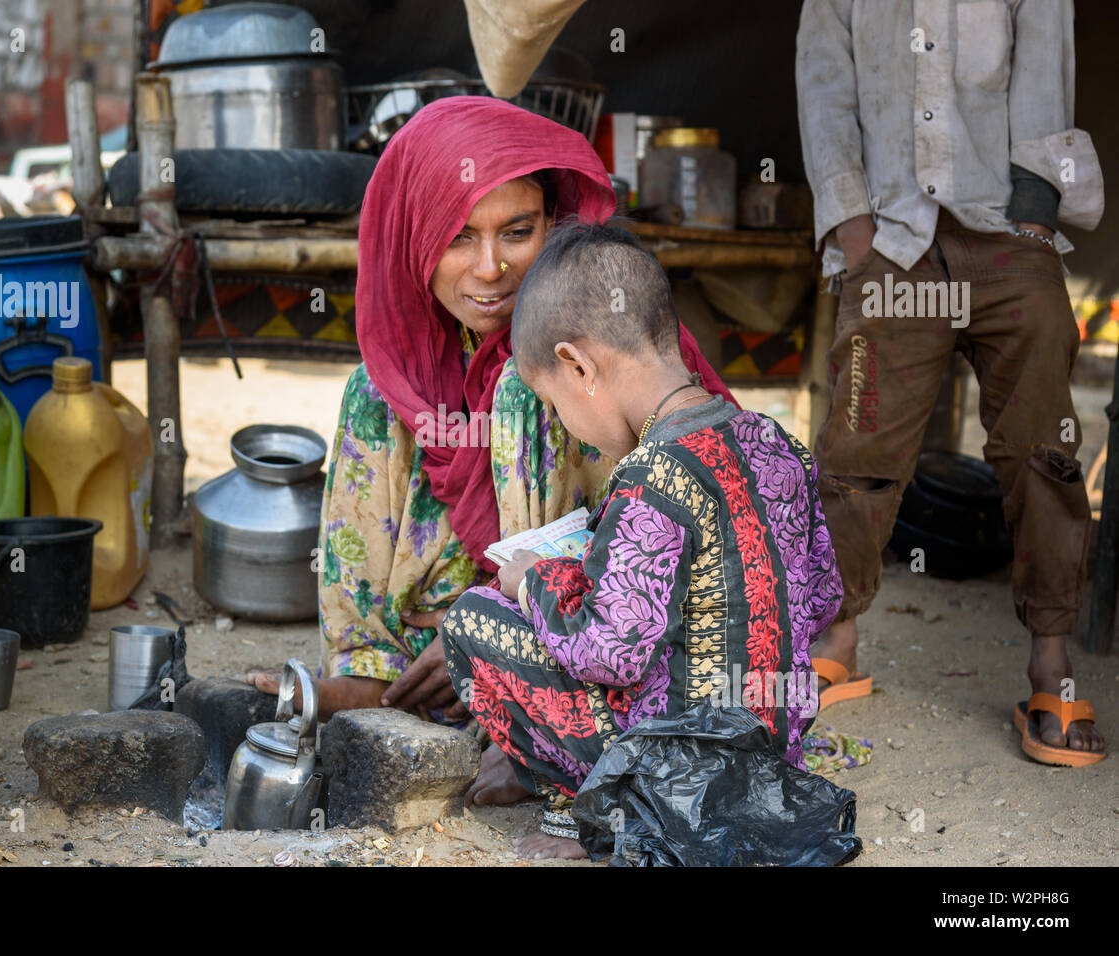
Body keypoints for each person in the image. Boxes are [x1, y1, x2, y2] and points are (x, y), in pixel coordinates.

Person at [247, 97, 734, 718]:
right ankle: (372, 669)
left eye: (517, 232)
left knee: (520, 387)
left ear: (552, 224)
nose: (490, 269)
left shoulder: (600, 331)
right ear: (417, 237)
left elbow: (658, 536)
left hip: (593, 622)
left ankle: (525, 684)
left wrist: (494, 625)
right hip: (454, 611)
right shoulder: (415, 345)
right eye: (458, 237)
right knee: (374, 387)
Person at [441, 221, 843, 859]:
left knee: (475, 618)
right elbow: (821, 595)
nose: (567, 425)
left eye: (555, 402)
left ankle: (585, 814)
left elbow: (610, 654)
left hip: (675, 781)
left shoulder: (652, 476)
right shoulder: (773, 440)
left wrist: (533, 580)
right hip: (770, 757)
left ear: (578, 366)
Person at [796, 0, 1106, 764]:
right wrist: (853, 232)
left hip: (1005, 237)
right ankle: (837, 634)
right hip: (894, 241)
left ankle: (1050, 658)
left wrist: (1033, 228)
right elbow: (825, 95)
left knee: (1044, 445)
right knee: (859, 443)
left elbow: (1044, 90)